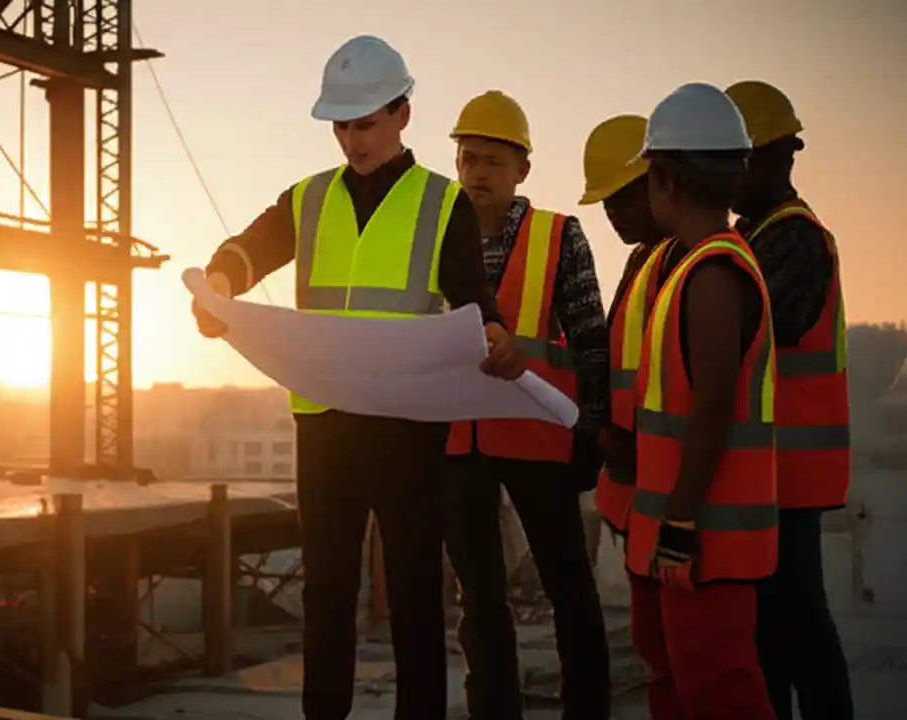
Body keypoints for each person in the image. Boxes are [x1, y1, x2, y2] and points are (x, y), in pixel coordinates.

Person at [192, 35, 522, 719]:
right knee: (328, 596)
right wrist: (220, 285)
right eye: (342, 126)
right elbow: (249, 248)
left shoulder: (442, 203)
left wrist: (492, 333)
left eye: (365, 123)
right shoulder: (309, 199)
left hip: (408, 428)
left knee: (412, 593)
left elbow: (472, 303)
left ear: (402, 114)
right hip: (326, 424)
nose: (352, 139)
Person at [442, 90, 611, 720]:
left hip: (540, 440)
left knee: (569, 590)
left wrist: (591, 431)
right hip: (460, 444)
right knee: (478, 602)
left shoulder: (559, 237)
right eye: (468, 158)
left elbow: (591, 342)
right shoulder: (437, 238)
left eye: (493, 160)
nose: (478, 172)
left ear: (522, 170)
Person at [627, 81, 778, 720]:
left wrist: (681, 526)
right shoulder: (689, 265)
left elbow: (714, 403)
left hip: (704, 545)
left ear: (666, 181)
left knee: (721, 695)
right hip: (684, 541)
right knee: (683, 689)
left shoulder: (713, 273)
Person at [727, 79, 854, 720]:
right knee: (770, 639)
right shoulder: (755, 236)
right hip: (767, 473)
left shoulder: (794, 239)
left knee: (800, 632)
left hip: (791, 476)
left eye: (731, 158)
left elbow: (750, 336)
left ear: (771, 158)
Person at [579, 114, 671, 541]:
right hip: (634, 485)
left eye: (622, 198)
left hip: (662, 481)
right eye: (605, 202)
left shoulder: (683, 261)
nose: (612, 213)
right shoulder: (644, 258)